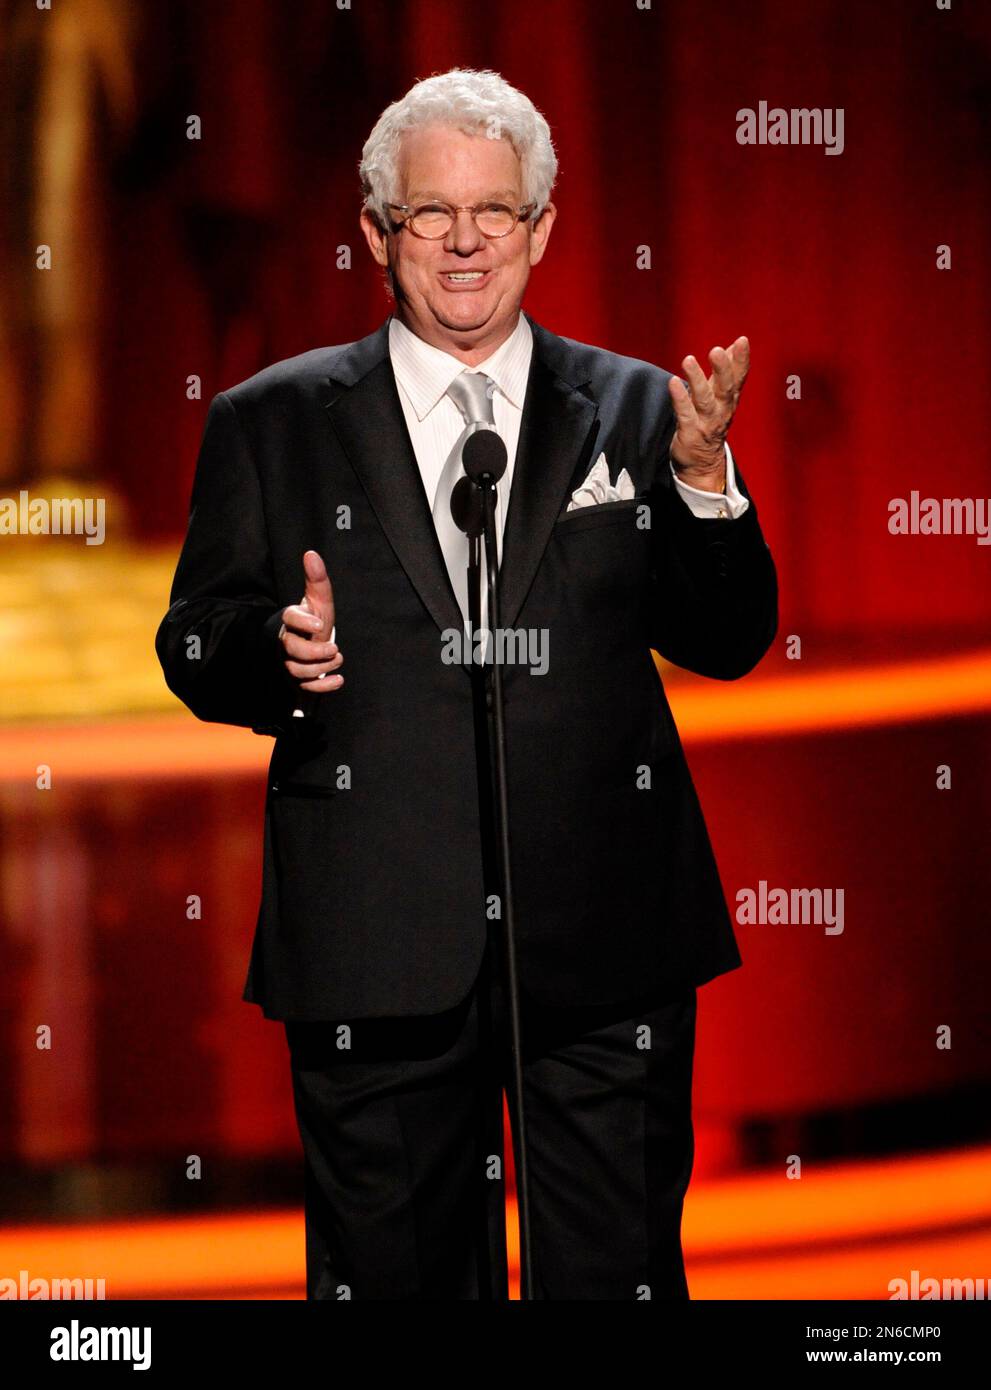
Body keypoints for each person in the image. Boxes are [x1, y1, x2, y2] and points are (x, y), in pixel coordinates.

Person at [155, 67, 778, 1301]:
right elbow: (190, 636)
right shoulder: (269, 423)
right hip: (374, 948)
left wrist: (704, 489)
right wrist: (272, 652)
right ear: (375, 231)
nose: (464, 241)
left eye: (494, 211)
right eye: (429, 213)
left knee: (613, 1276)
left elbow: (727, 639)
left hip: (605, 947)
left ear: (541, 230)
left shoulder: (643, 410)